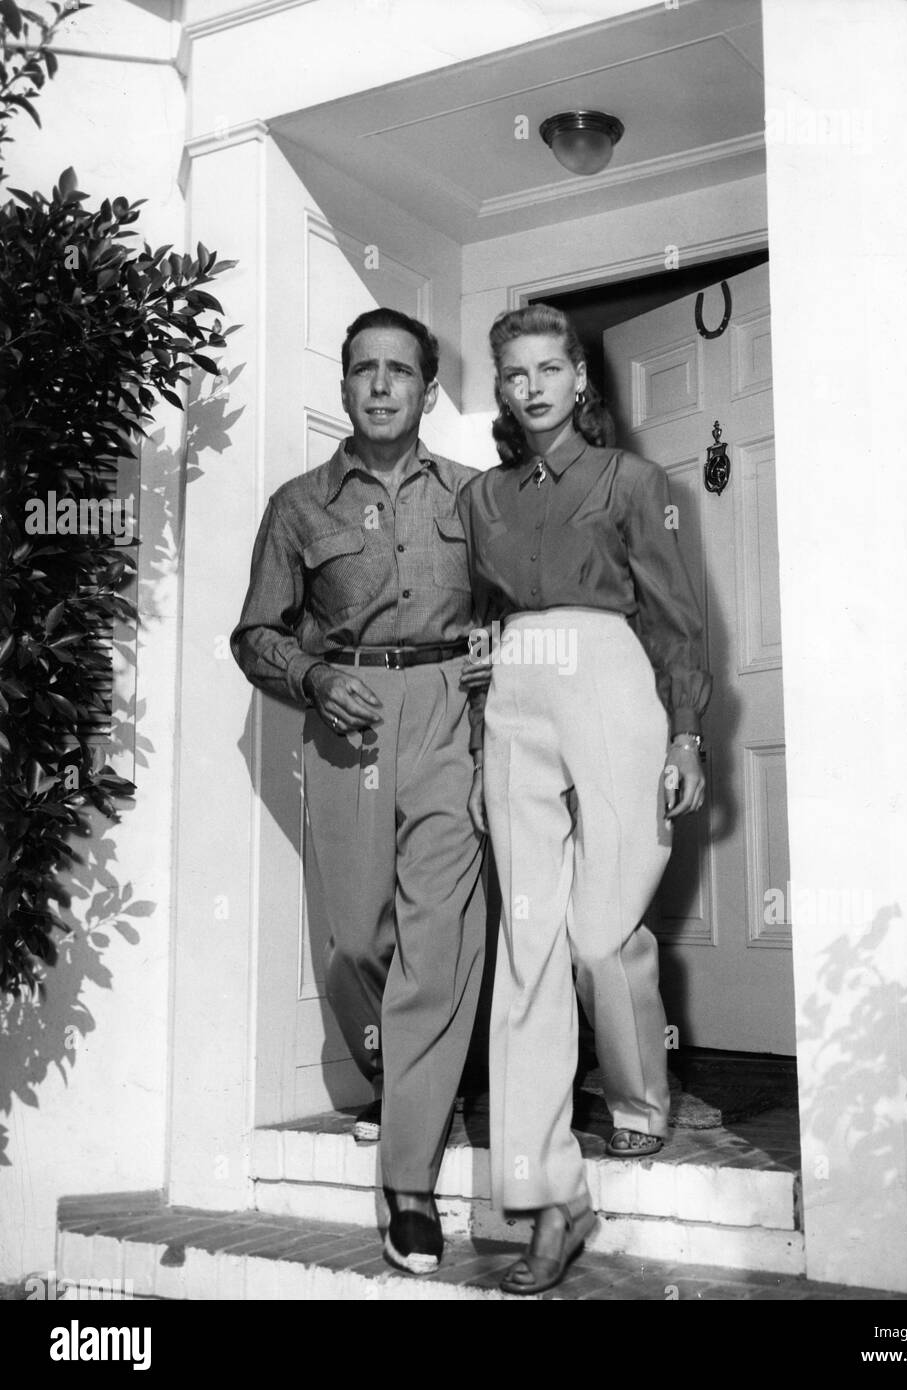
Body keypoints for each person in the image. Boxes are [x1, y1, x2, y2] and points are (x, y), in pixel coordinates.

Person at [458, 302, 711, 1295]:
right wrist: (481, 734)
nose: (530, 387)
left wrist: (685, 730)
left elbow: (675, 618)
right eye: (512, 372)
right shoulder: (483, 498)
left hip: (611, 676)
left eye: (546, 369)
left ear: (578, 380)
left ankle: (644, 1096)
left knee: (599, 930)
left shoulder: (633, 482)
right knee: (526, 940)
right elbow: (481, 620)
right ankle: (551, 1198)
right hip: (516, 688)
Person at [231, 307, 486, 1276]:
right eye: (365, 370)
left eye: (401, 371)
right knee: (352, 939)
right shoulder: (298, 505)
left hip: (446, 714)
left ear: (425, 389)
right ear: (344, 386)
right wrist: (308, 676)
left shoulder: (472, 497)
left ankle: (409, 1181)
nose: (382, 385)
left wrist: (499, 658)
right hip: (345, 714)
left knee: (437, 943)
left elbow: (516, 609)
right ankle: (410, 1069)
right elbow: (256, 632)